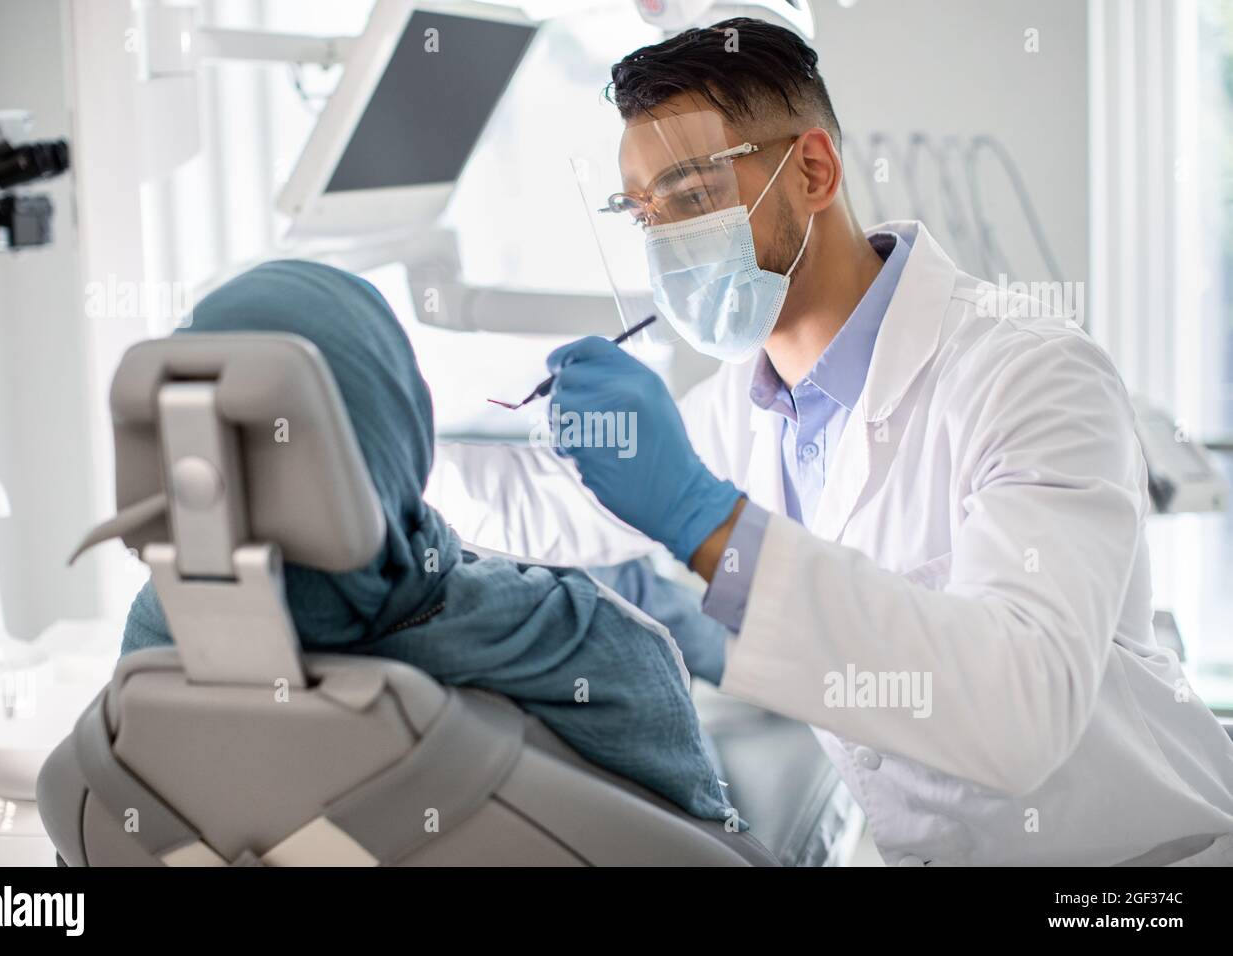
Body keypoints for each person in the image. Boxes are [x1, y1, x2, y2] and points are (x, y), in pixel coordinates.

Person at [426, 18, 1233, 865]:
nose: (667, 247)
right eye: (645, 215)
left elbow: (1020, 711)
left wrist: (706, 522)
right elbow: (543, 504)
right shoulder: (742, 410)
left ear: (812, 170)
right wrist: (367, 443)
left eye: (692, 197)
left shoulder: (1030, 375)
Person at [118, 259, 738, 827]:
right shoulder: (588, 644)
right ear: (400, 418)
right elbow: (714, 836)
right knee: (629, 584)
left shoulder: (149, 660)